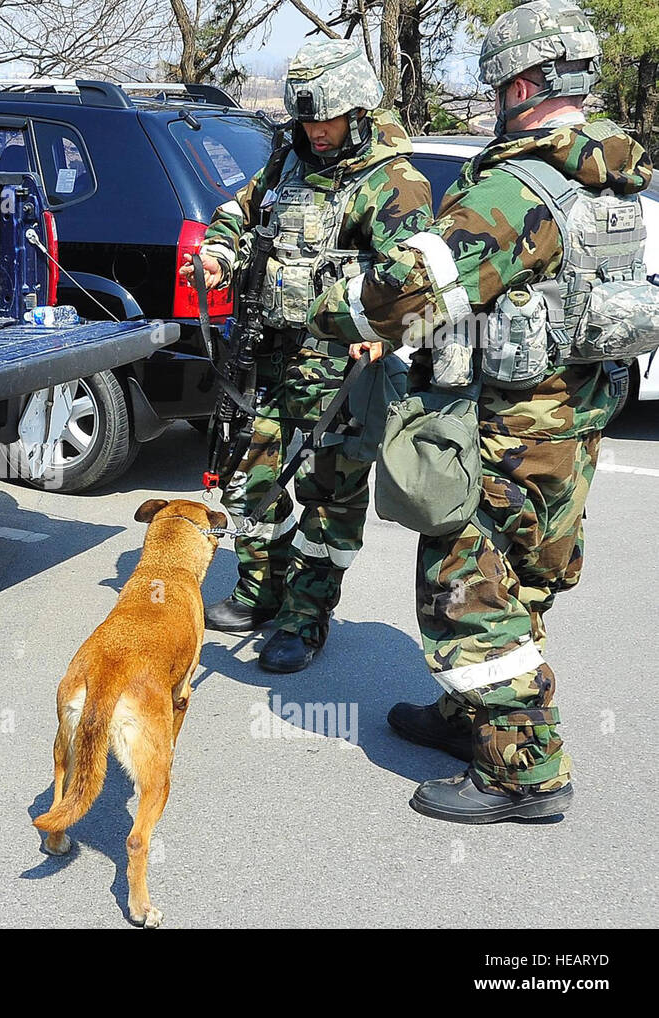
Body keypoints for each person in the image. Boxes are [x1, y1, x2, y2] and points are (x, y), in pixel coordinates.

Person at [308, 0, 652, 821]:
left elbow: (405, 293)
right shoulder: (604, 177)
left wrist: (328, 303)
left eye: (499, 83)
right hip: (574, 417)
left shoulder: (515, 188)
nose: (496, 97)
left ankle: (523, 771)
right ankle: (469, 719)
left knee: (467, 586)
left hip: (510, 425)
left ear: (526, 81)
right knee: (528, 573)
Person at [180, 39, 433, 673]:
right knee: (249, 483)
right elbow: (238, 216)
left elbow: (409, 283)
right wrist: (217, 257)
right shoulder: (286, 162)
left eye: (328, 120)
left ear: (358, 111)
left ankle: (306, 614)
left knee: (331, 499)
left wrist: (375, 330)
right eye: (306, 119)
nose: (316, 132)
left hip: (343, 375)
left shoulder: (394, 181)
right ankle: (261, 590)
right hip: (268, 359)